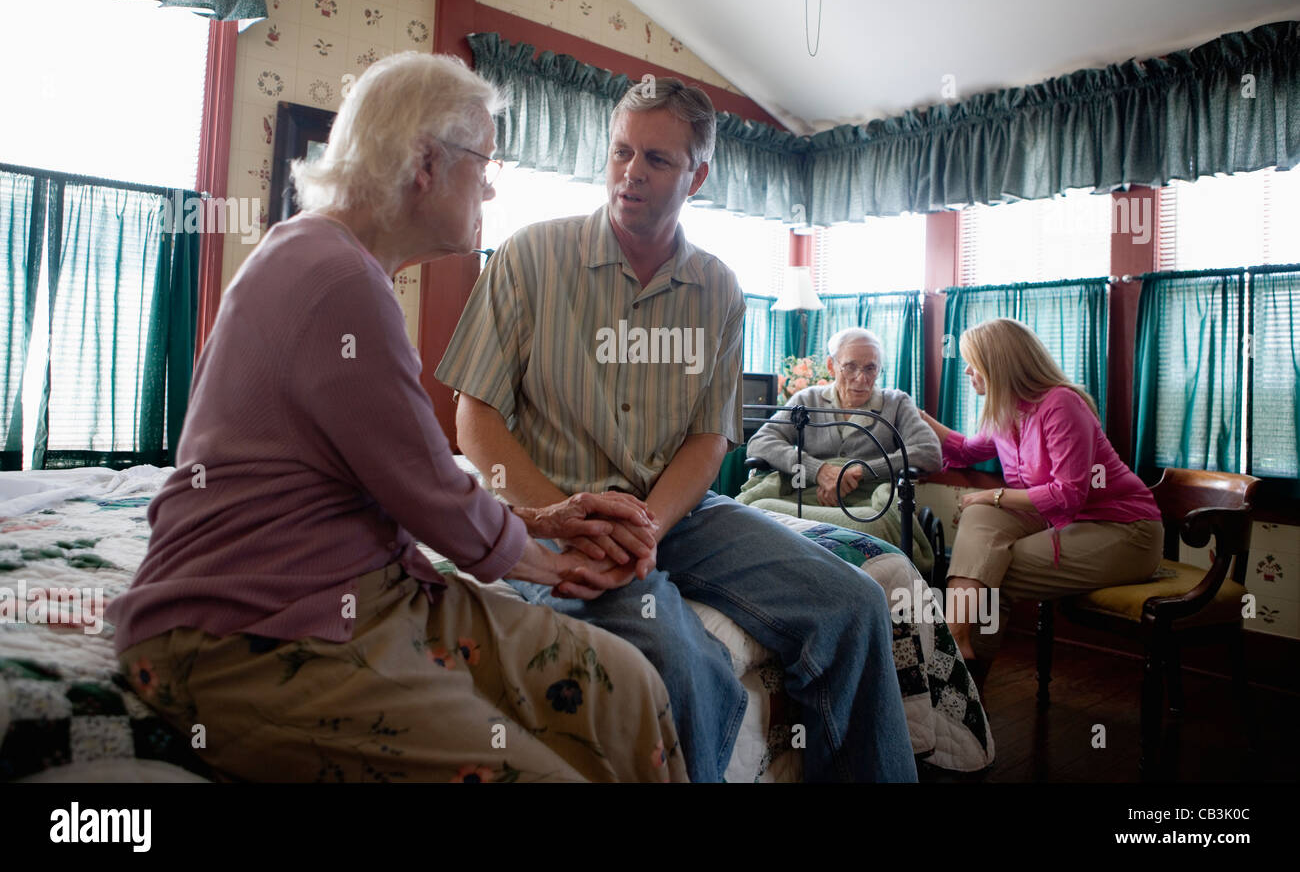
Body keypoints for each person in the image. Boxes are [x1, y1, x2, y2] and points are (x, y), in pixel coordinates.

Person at [106, 52, 688, 783]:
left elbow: (400, 476)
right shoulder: (337, 278)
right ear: (424, 162)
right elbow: (430, 490)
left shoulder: (327, 258)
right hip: (245, 629)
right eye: (483, 161)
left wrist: (544, 523)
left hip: (368, 589)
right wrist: (559, 562)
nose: (491, 182)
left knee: (627, 684)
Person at [436, 77, 917, 783]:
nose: (631, 173)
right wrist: (566, 522)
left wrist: (649, 526)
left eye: (657, 160)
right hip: (552, 510)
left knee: (858, 600)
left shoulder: (719, 289)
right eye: (621, 152)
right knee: (679, 658)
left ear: (699, 174)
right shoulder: (530, 258)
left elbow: (708, 438)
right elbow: (473, 415)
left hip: (677, 512)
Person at [918, 317, 1164, 664]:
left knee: (992, 567)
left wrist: (995, 495)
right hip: (1065, 523)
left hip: (1125, 531)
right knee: (979, 517)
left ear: (998, 366)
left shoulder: (1061, 404)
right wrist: (919, 418)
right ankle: (957, 642)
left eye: (974, 363)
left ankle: (961, 679)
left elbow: (1067, 494)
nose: (968, 371)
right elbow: (966, 451)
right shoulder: (1007, 410)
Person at [742, 326, 941, 571]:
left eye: (871, 368)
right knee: (756, 511)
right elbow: (760, 442)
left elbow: (929, 451)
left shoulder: (896, 402)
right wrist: (819, 470)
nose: (861, 378)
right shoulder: (807, 400)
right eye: (850, 367)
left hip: (866, 503)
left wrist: (859, 471)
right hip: (805, 495)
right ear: (831, 366)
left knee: (871, 529)